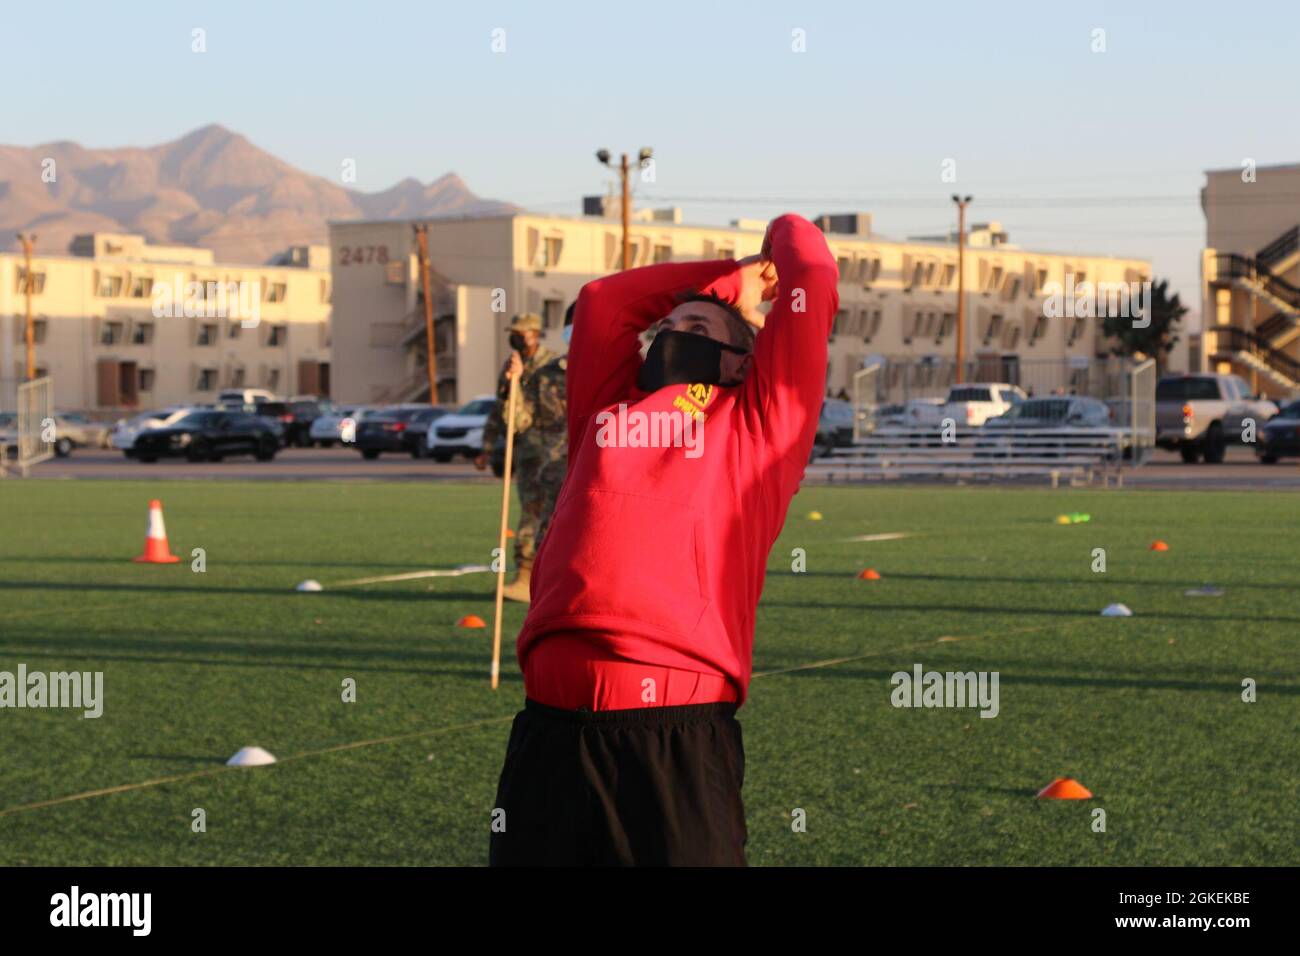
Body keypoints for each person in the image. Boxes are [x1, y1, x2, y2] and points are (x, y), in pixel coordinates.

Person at [489, 214, 838, 866]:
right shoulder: (606, 408)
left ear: (744, 362)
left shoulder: (759, 425)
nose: (674, 335)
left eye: (699, 330)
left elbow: (812, 277)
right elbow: (603, 303)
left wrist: (782, 235)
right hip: (548, 729)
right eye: (667, 329)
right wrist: (725, 279)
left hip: (672, 736)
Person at [477, 313, 567, 603]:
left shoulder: (554, 366)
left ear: (535, 334)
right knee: (531, 512)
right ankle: (526, 576)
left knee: (554, 516)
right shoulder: (513, 367)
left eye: (521, 332)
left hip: (558, 453)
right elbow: (505, 411)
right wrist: (488, 446)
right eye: (513, 332)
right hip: (528, 452)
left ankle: (547, 577)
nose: (516, 337)